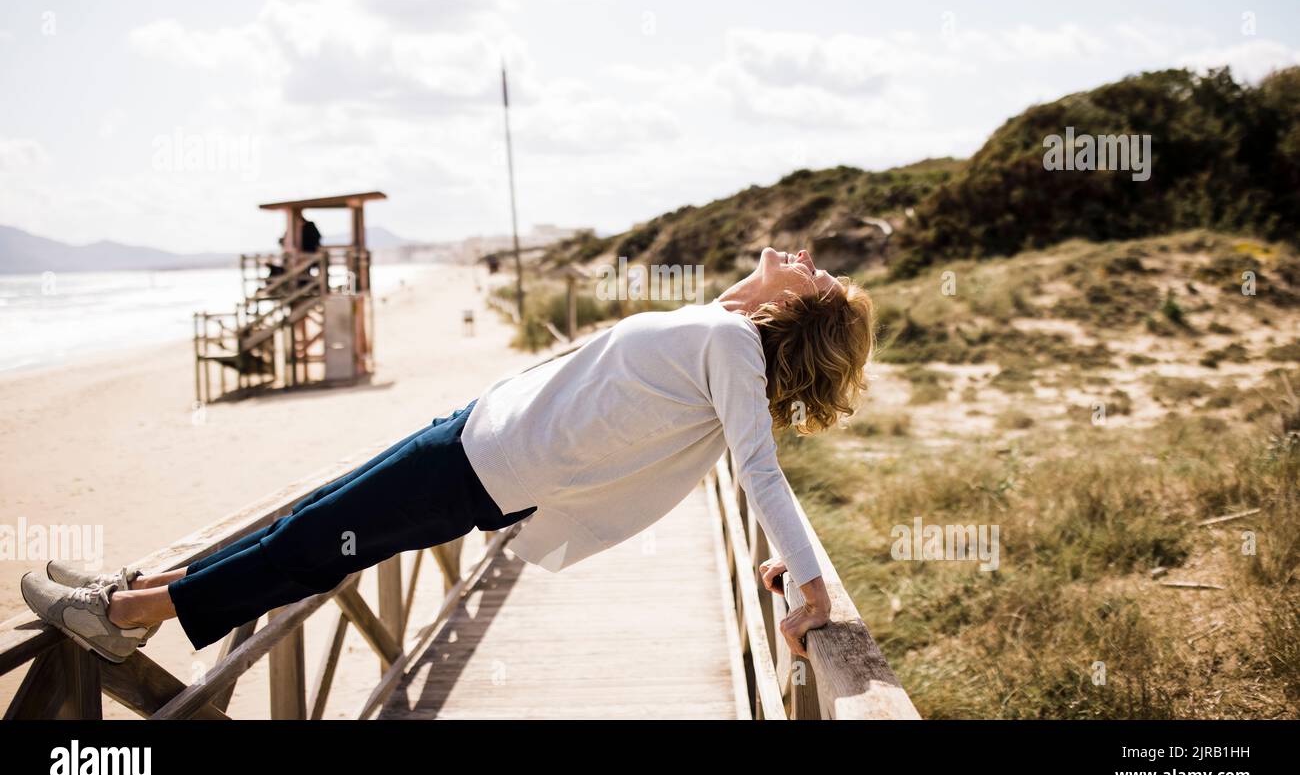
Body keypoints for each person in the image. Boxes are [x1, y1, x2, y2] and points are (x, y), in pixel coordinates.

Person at [22, 247, 874, 663]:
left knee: (314, 543)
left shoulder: (731, 347)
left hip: (485, 466)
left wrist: (811, 589)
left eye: (818, 272)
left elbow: (759, 470)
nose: (805, 257)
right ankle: (133, 594)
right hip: (480, 433)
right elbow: (721, 325)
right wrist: (767, 284)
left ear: (806, 312)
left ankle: (125, 620)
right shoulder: (727, 326)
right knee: (309, 521)